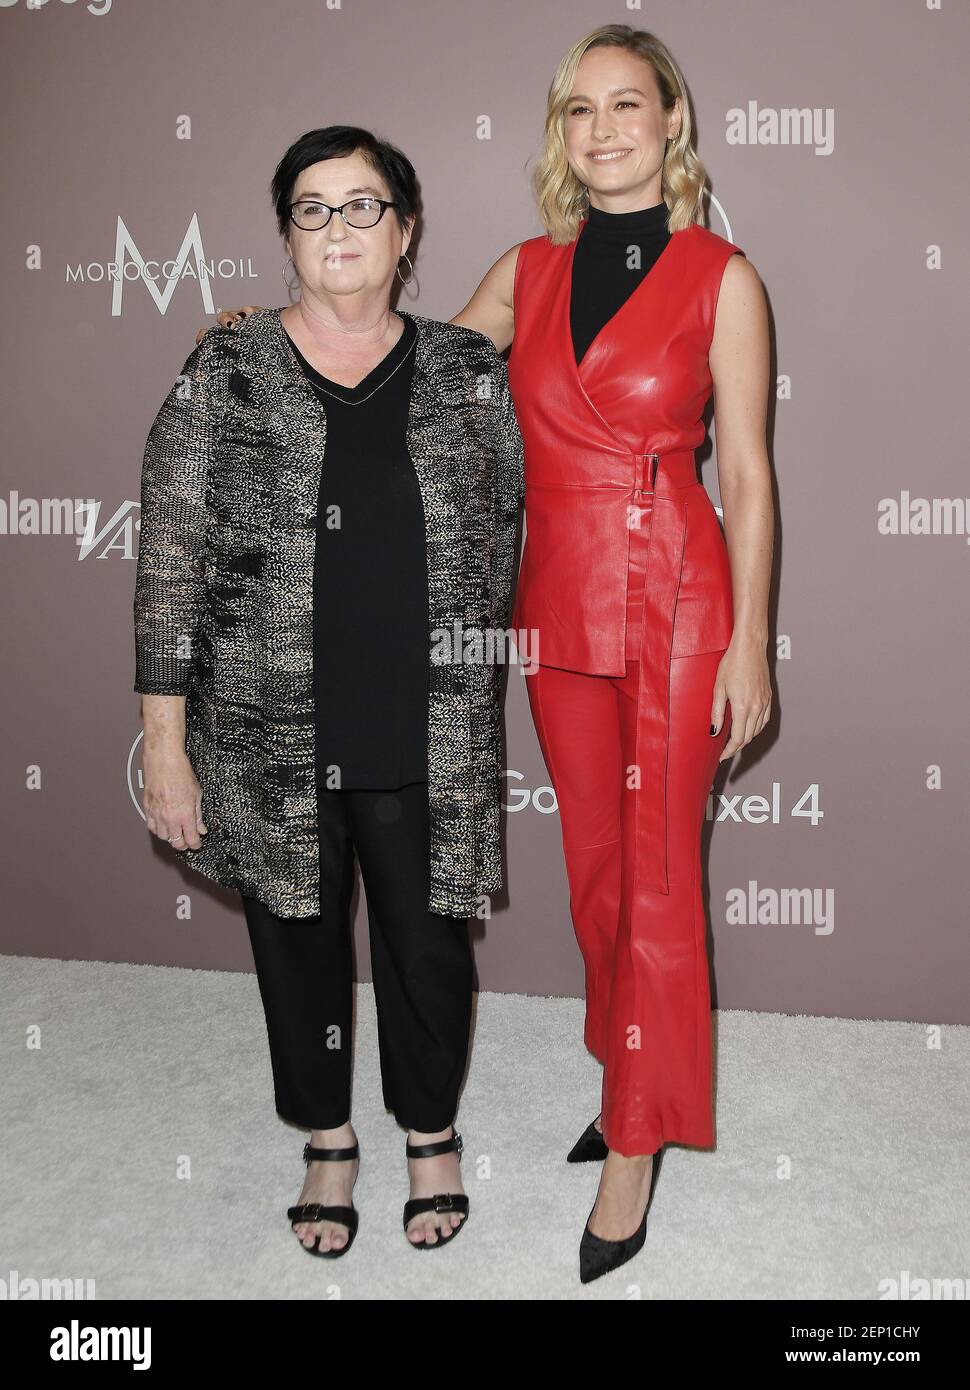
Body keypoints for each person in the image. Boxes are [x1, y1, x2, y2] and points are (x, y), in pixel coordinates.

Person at [204, 22, 773, 1286]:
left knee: (662, 877)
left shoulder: (722, 277)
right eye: (580, 109)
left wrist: (752, 648)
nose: (605, 128)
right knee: (596, 877)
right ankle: (633, 1071)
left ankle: (637, 1144)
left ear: (672, 122)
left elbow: (744, 469)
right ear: (560, 134)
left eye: (629, 104)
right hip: (559, 606)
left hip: (678, 599)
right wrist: (281, 333)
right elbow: (410, 375)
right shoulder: (528, 271)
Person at [134, 125, 524, 1258]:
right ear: (286, 235)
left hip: (426, 720)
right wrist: (166, 741)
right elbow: (168, 558)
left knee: (427, 940)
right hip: (267, 731)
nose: (337, 229)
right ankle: (327, 1139)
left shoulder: (463, 368)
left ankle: (433, 1131)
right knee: (296, 940)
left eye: (363, 207)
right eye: (312, 208)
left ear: (404, 233)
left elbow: (510, 528)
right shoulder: (228, 367)